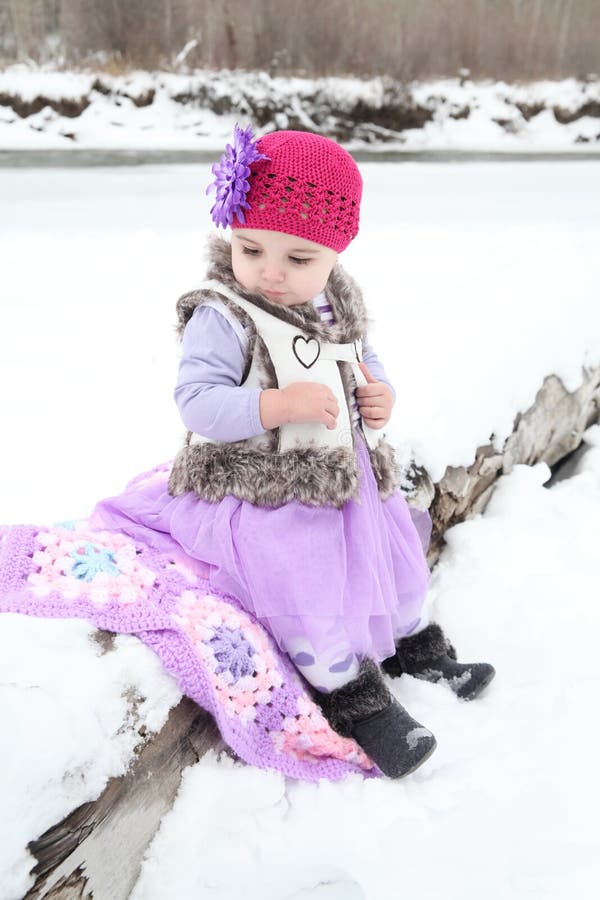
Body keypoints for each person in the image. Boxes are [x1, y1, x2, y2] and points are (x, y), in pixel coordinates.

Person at [97, 126, 495, 778]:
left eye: (299, 258)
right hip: (263, 491)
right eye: (251, 248)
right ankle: (354, 698)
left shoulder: (335, 301)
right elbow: (197, 401)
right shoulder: (225, 314)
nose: (271, 272)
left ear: (336, 255)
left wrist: (379, 393)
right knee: (306, 584)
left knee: (391, 560)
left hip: (347, 477)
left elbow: (361, 359)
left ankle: (415, 648)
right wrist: (274, 406)